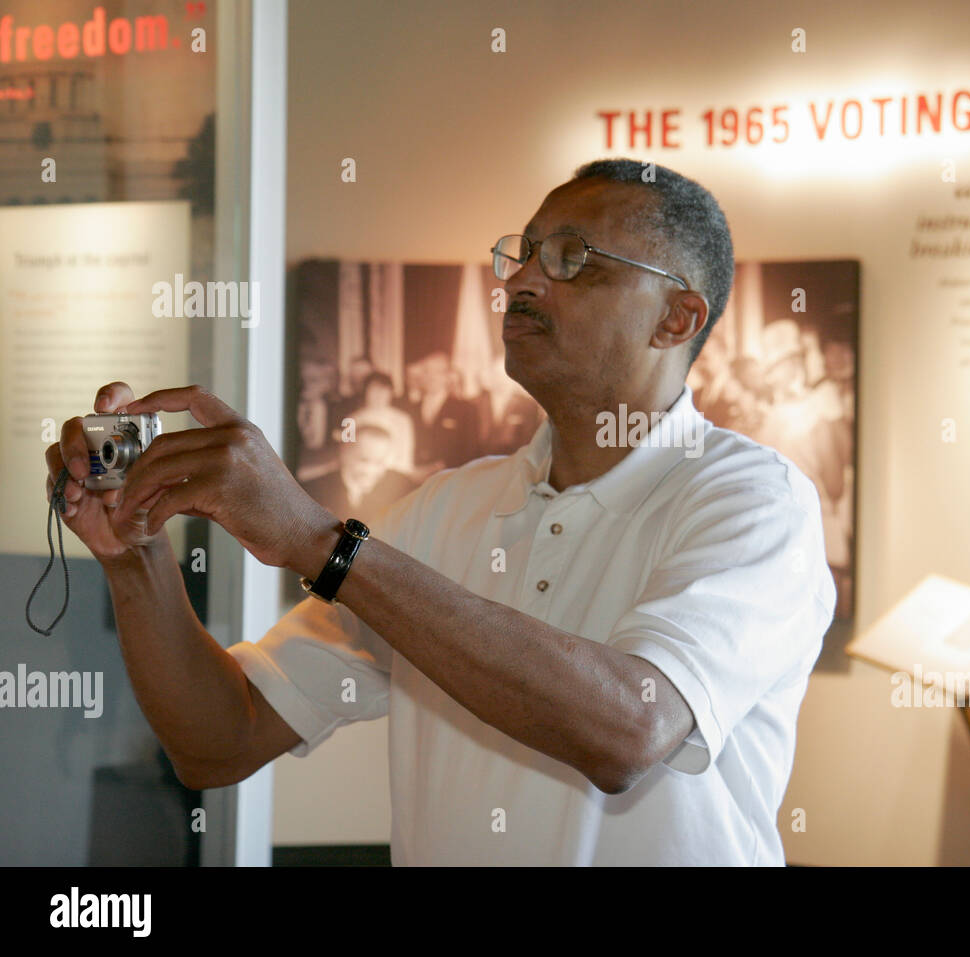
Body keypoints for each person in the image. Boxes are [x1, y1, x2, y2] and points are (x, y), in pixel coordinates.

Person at [43, 158, 835, 866]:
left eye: (571, 260)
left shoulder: (754, 501)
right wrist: (135, 553)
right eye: (522, 253)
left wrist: (322, 545)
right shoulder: (444, 511)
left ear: (678, 318)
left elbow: (631, 729)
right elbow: (220, 738)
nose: (522, 280)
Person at [299, 422, 416, 524]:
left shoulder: (404, 490)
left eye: (379, 462)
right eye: (364, 460)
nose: (371, 470)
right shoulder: (309, 491)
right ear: (344, 453)